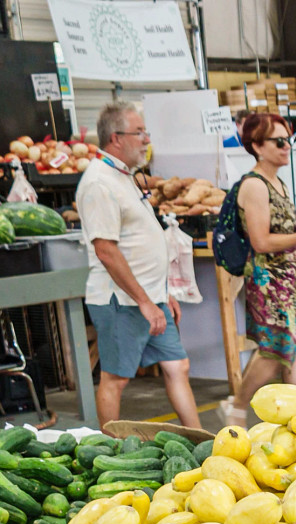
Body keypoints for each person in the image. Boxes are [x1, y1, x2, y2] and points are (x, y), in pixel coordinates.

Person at [74, 100, 199, 429]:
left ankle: (203, 441)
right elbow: (106, 251)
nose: (146, 139)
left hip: (150, 298)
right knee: (115, 379)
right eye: (139, 132)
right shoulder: (99, 183)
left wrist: (162, 293)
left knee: (177, 366)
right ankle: (108, 454)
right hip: (120, 302)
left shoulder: (123, 176)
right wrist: (145, 301)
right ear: (116, 138)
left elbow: (140, 243)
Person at [233, 113, 296, 414]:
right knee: (275, 352)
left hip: (290, 282)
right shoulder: (255, 186)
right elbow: (261, 242)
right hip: (270, 284)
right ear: (257, 146)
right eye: (279, 141)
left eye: (288, 140)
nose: (287, 146)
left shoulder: (277, 182)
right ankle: (237, 407)